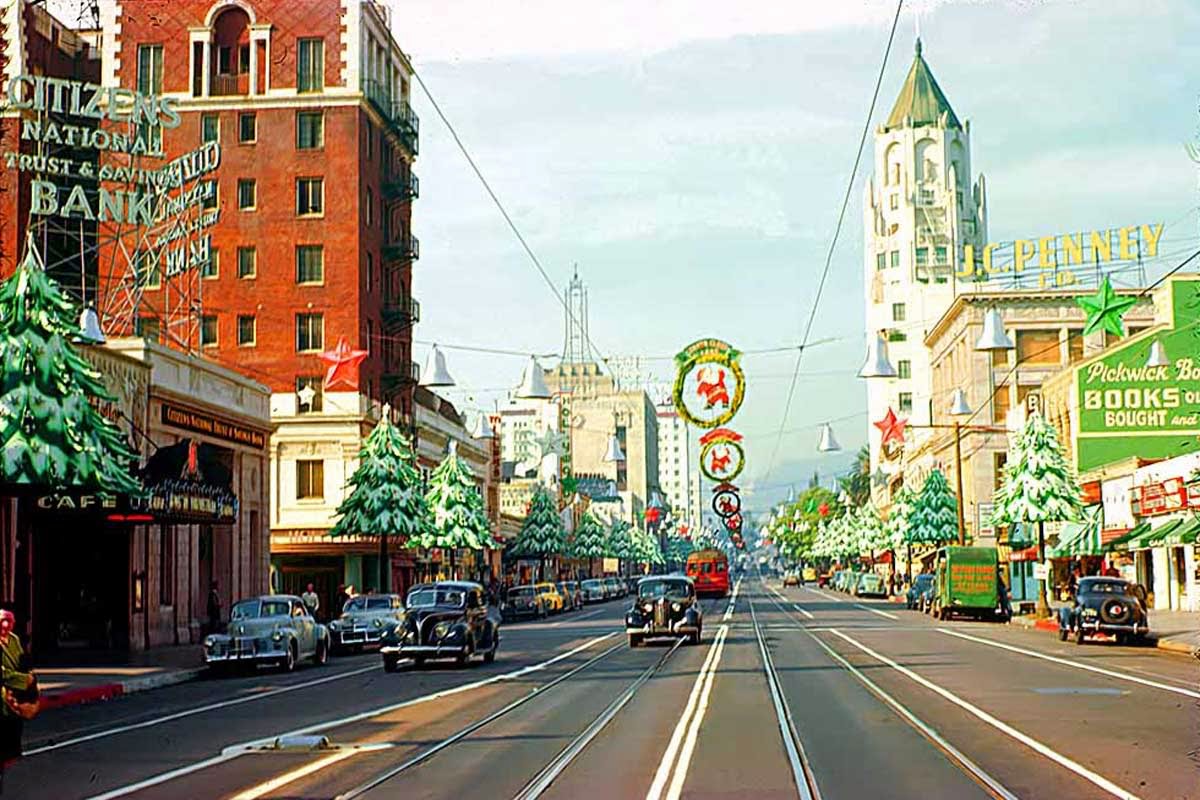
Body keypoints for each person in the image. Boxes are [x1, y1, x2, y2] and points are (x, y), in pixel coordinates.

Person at [0, 609, 38, 788]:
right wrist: (24, 680)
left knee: (11, 749)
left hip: (15, 701)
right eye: (2, 622)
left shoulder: (14, 640)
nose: (5, 626)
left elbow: (23, 661)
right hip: (4, 697)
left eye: (9, 621)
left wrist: (29, 676)